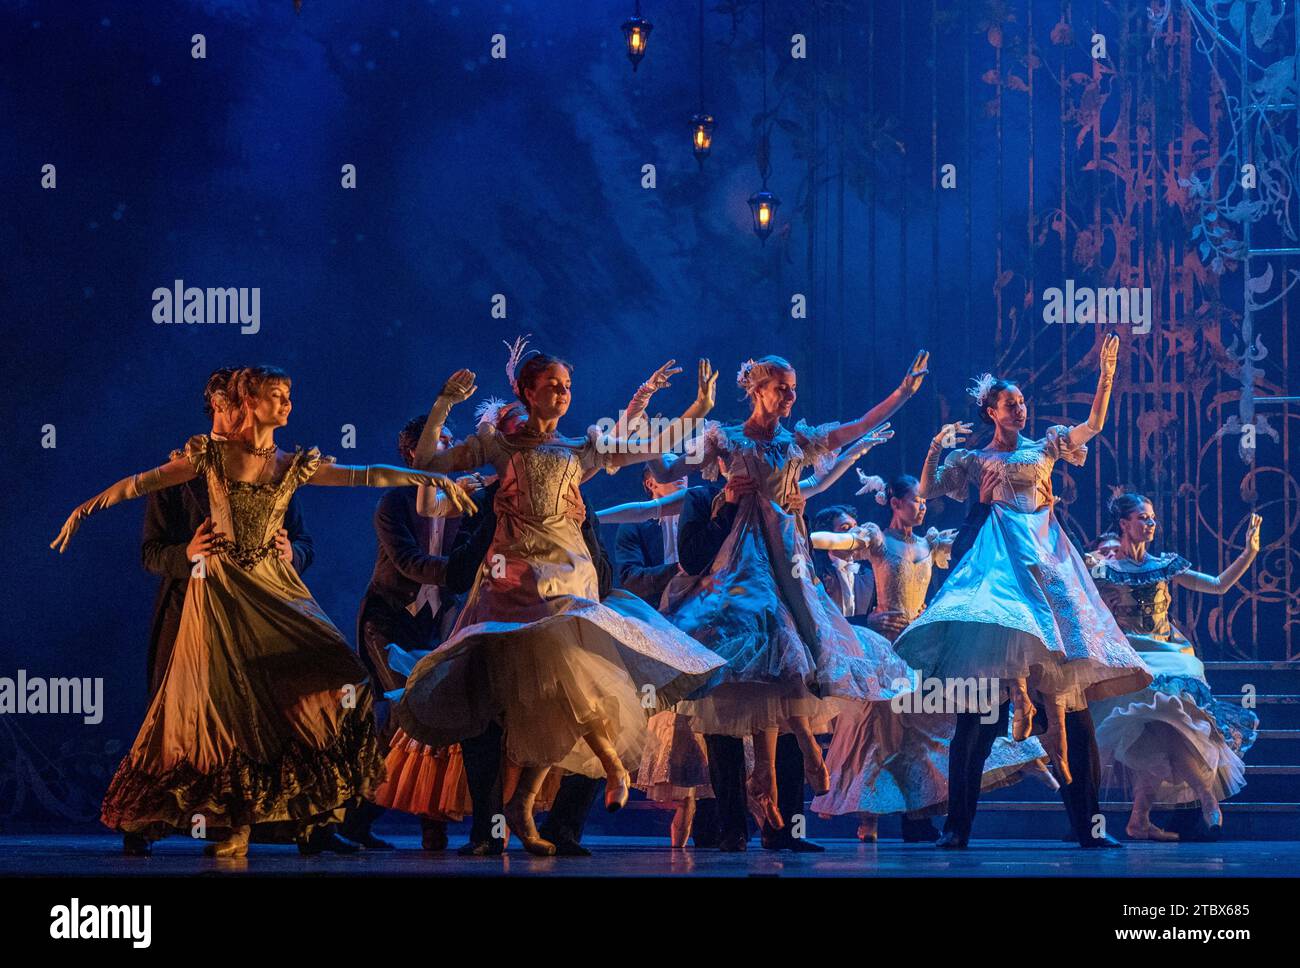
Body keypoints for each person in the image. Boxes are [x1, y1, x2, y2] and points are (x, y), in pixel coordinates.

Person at [51, 364, 478, 858]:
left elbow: (364, 475)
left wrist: (430, 477)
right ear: (246, 403)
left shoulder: (289, 464)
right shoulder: (207, 457)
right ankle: (228, 825)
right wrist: (82, 511)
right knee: (222, 718)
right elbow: (140, 484)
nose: (287, 404)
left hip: (276, 590)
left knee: (345, 680)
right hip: (219, 594)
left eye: (288, 395)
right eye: (275, 395)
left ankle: (304, 813)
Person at [394, 356, 726, 856]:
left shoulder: (581, 449)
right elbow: (427, 465)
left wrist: (697, 408)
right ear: (526, 391)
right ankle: (497, 824)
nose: (563, 391)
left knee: (575, 683)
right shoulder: (497, 446)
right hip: (508, 589)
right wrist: (443, 404)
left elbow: (648, 447)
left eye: (568, 384)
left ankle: (555, 811)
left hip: (570, 584)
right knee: (497, 707)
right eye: (552, 383)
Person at [895, 334, 1152, 848]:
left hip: (1046, 567)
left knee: (1070, 711)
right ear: (991, 410)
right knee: (980, 715)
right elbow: (928, 491)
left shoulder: (1045, 447)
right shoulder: (974, 459)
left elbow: (1093, 426)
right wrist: (933, 448)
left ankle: (1089, 827)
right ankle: (957, 827)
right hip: (1000, 579)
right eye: (1009, 403)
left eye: (1021, 403)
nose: (1019, 409)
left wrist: (1105, 377)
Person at [661, 351, 927, 845]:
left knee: (794, 679)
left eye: (792, 389)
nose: (789, 396)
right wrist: (702, 420)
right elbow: (667, 460)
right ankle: (732, 827)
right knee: (728, 689)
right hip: (738, 566)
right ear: (757, 390)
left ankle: (782, 826)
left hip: (788, 564)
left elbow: (852, 427)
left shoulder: (795, 442)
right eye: (781, 388)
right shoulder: (727, 440)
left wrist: (902, 395)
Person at [809, 475, 1052, 842]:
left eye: (924, 502)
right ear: (895, 503)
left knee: (925, 733)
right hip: (887, 645)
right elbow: (840, 542)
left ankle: (918, 816)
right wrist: (806, 534)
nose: (922, 507)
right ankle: (869, 818)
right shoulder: (878, 539)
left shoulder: (930, 543)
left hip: (920, 643)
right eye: (915, 501)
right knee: (881, 731)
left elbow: (973, 546)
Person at [1088, 493, 1262, 841]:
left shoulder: (1164, 565)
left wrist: (1249, 553)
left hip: (1167, 655)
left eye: (1152, 518)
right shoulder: (1103, 570)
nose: (1151, 524)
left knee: (1163, 727)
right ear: (1124, 524)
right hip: (1130, 658)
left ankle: (1142, 818)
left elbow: (1217, 585)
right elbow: (1069, 597)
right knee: (1163, 727)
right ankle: (1203, 796)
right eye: (1143, 518)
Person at [349, 414, 472, 851]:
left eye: (452, 442)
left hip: (440, 621)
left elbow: (477, 551)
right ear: (412, 455)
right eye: (440, 442)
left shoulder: (464, 501)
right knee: (408, 710)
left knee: (432, 715)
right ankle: (359, 814)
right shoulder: (394, 505)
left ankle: (426, 818)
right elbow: (410, 564)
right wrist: (460, 572)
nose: (450, 450)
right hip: (388, 620)